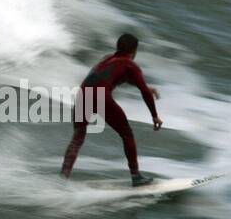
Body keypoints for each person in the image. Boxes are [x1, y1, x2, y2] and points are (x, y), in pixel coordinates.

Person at [60, 33, 162, 186]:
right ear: (134, 50)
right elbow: (144, 92)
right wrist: (154, 116)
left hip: (82, 94)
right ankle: (136, 176)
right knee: (127, 134)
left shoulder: (107, 59)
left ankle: (63, 177)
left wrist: (145, 87)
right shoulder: (130, 65)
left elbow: (122, 77)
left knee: (78, 137)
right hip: (100, 96)